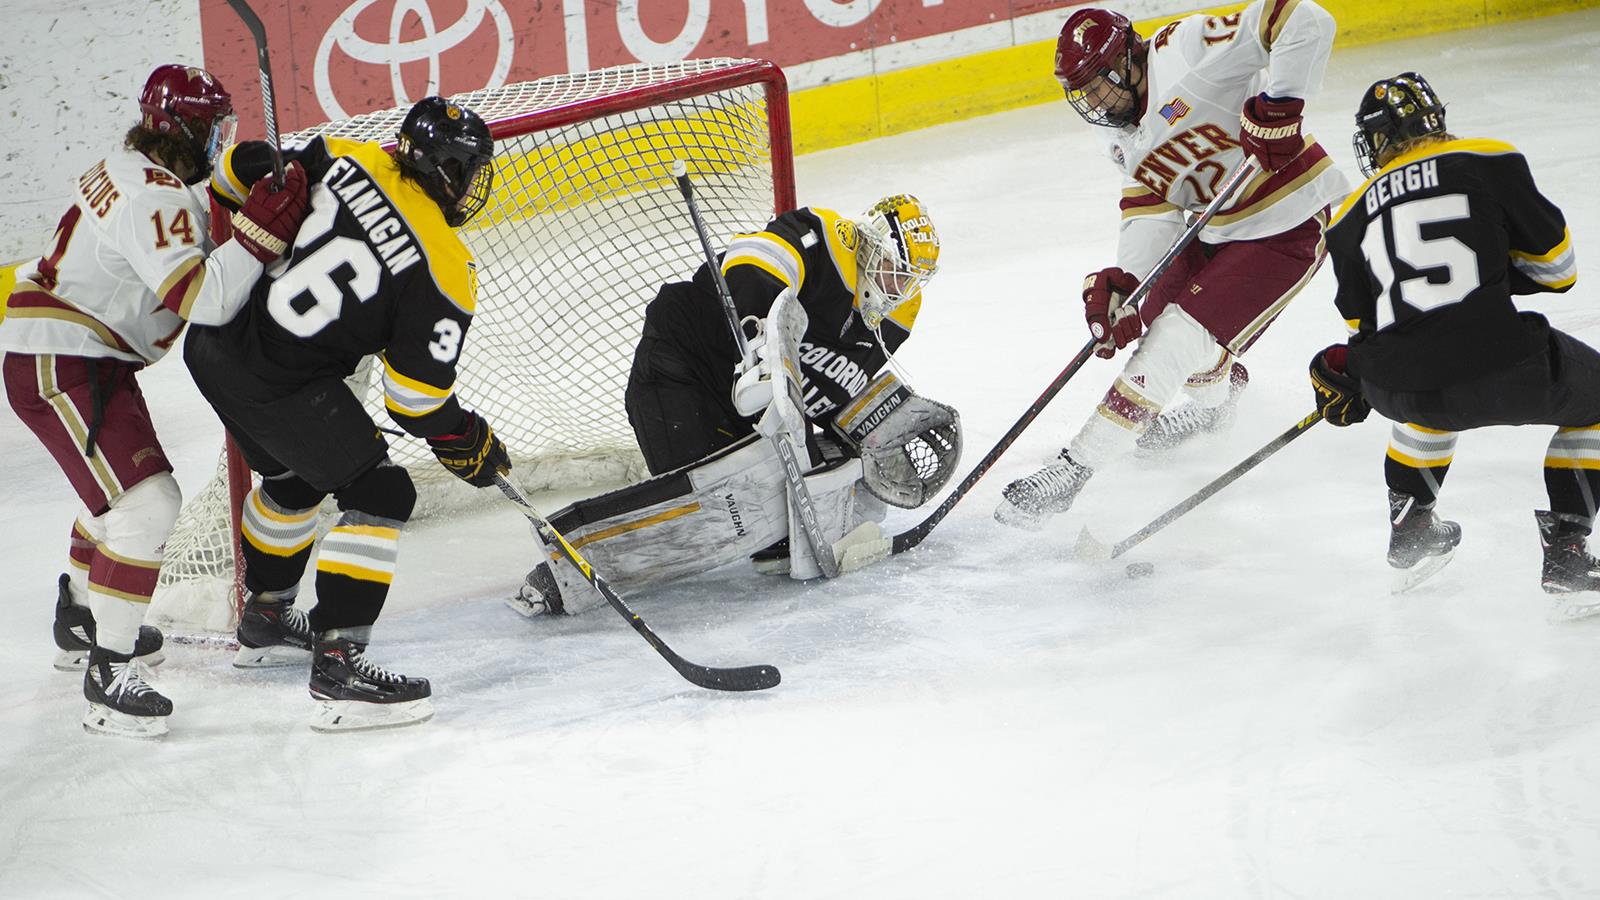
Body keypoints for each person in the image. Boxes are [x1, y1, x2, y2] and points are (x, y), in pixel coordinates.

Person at [1, 64, 309, 738]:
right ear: (188, 130)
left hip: (81, 353)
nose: (220, 139)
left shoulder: (132, 170)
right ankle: (108, 676)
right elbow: (203, 298)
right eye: (214, 128)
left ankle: (80, 616)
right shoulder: (155, 196)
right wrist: (257, 237)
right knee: (147, 505)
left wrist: (237, 223)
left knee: (121, 494)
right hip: (64, 359)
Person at [185, 96, 508, 731]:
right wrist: (465, 437)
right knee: (382, 491)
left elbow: (226, 175)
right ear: (447, 171)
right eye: (469, 170)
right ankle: (339, 664)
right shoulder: (445, 264)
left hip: (215, 343)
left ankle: (267, 617)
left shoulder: (345, 155)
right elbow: (415, 402)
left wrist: (269, 195)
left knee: (294, 478)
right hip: (281, 380)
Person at [509, 196, 961, 616]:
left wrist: (870, 420)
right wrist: (762, 347)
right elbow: (751, 262)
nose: (899, 286)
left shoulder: (898, 312)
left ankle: (771, 534)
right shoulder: (822, 236)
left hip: (752, 410)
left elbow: (830, 389)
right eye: (893, 268)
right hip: (684, 367)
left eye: (911, 278)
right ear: (869, 245)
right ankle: (570, 568)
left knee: (787, 500)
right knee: (712, 502)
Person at [994, 3, 1351, 528]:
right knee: (1156, 319)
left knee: (1176, 338)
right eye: (1082, 94)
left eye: (1097, 85)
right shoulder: (1119, 134)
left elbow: (1302, 19)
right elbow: (1151, 207)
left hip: (1285, 224)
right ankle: (1216, 400)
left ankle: (1074, 470)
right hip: (1215, 229)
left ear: (1128, 61)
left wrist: (1283, 100)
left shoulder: (1185, 49)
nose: (1093, 103)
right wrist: (1129, 286)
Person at [1306, 72, 1593, 613]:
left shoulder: (1346, 216)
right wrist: (1487, 271)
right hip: (1501, 365)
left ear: (1378, 140)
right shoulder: (1489, 158)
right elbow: (1560, 272)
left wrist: (1353, 372)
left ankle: (1411, 529)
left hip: (1397, 388)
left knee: (1418, 371)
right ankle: (1567, 555)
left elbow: (1365, 329)